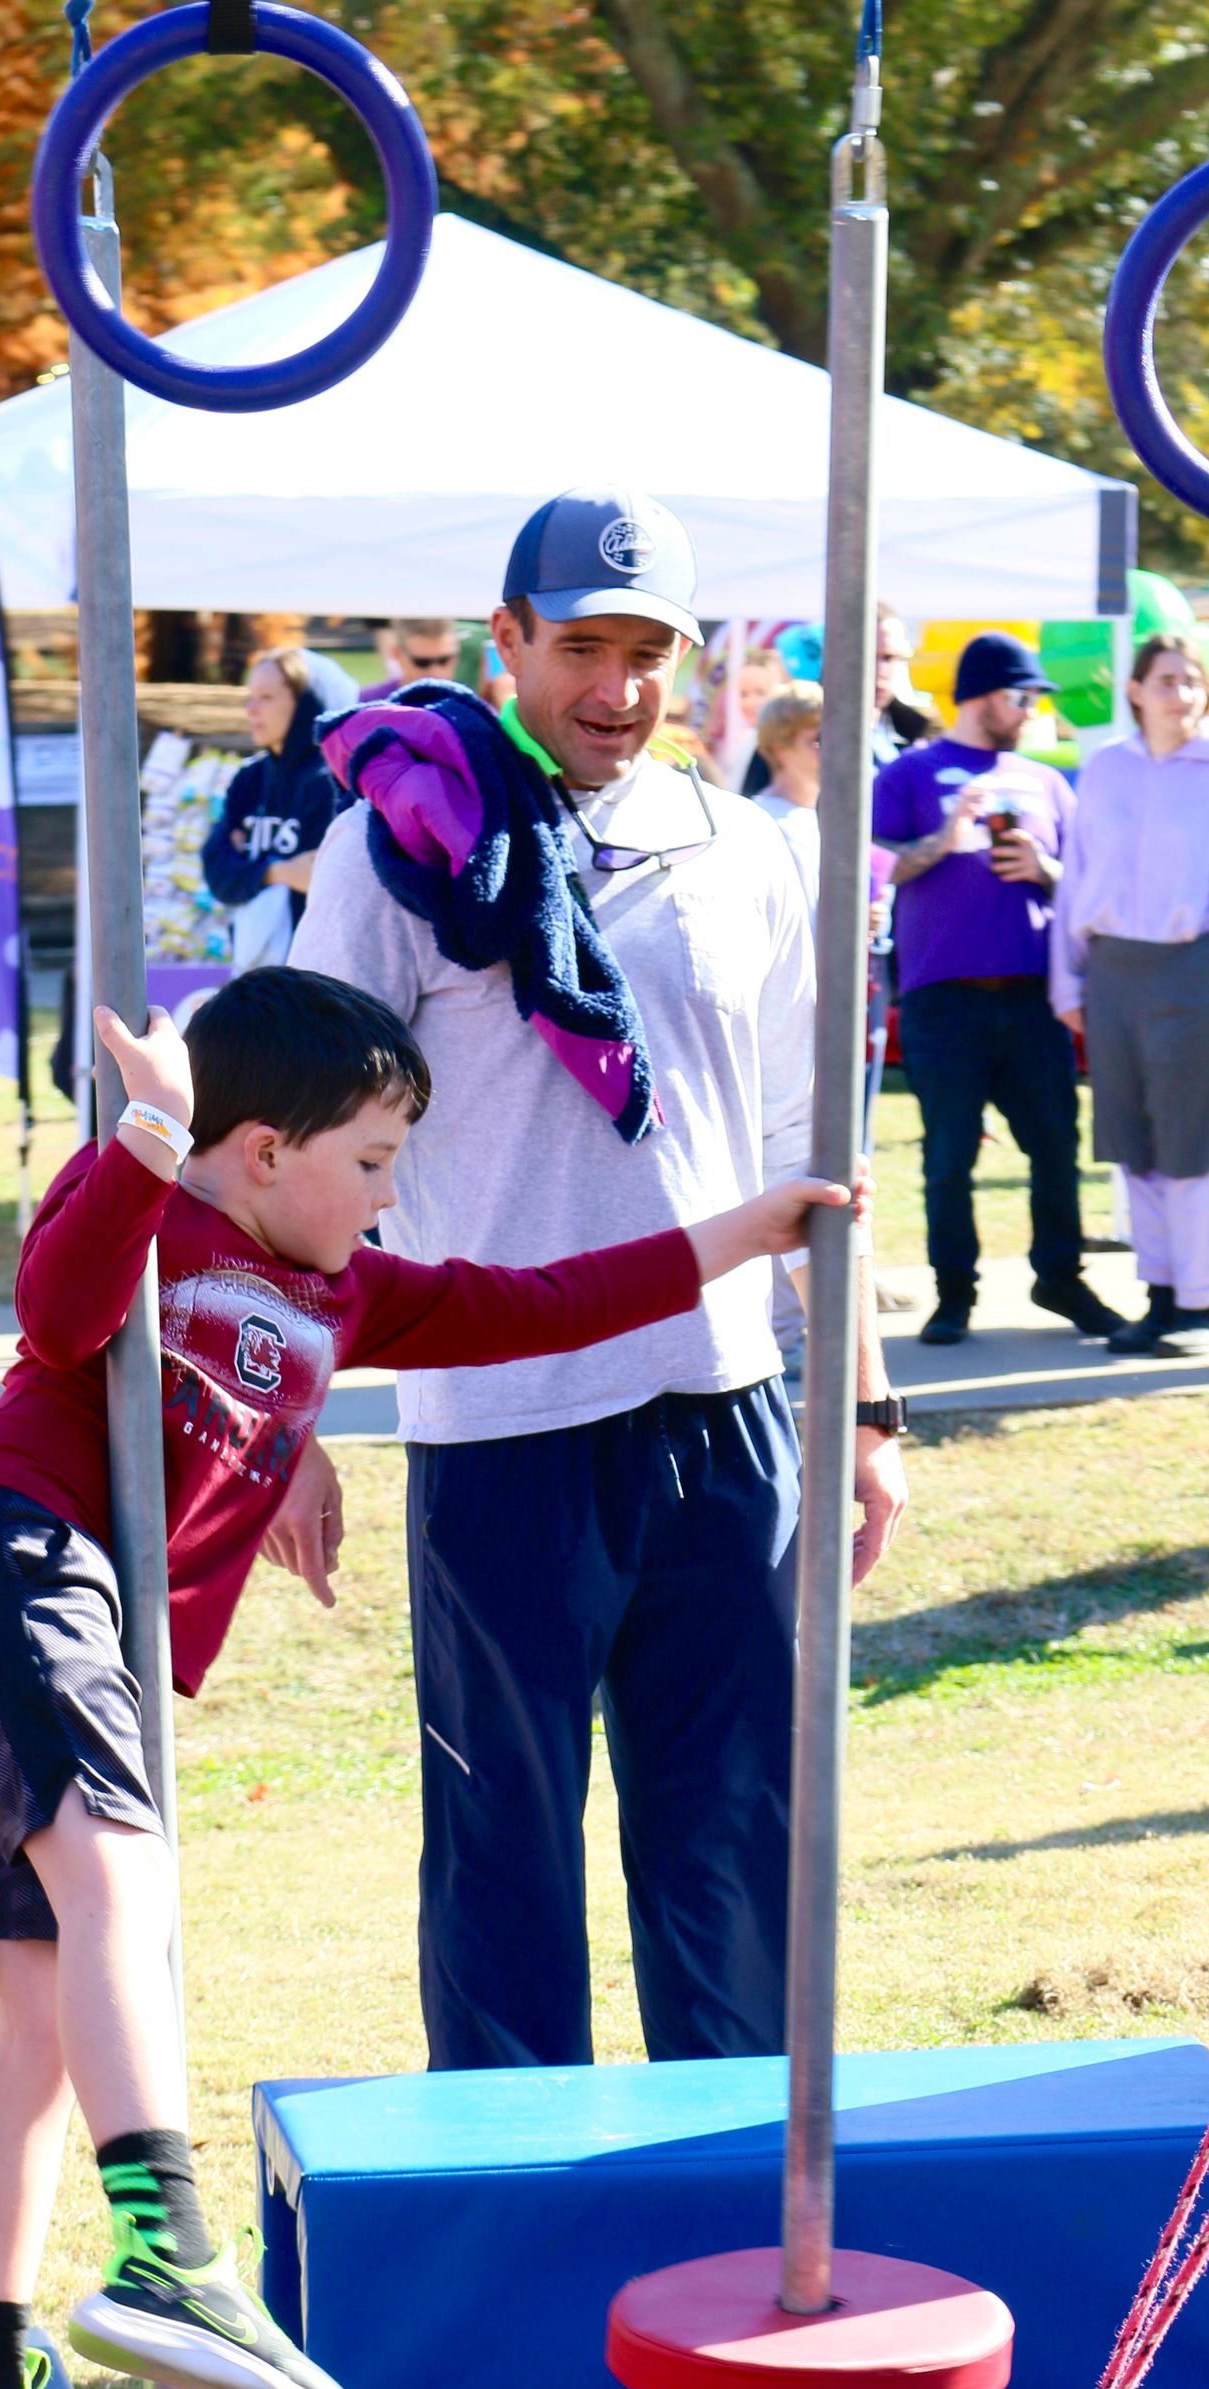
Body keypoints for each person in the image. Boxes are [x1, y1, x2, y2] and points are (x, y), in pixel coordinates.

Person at [0, 965, 845, 2389]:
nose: (388, 1205)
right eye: (373, 1165)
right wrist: (141, 1143)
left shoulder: (346, 1293)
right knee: (126, 1885)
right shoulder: (161, 1214)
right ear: (261, 1153)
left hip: (23, 1597)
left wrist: (750, 1232)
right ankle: (172, 2252)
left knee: (48, 2021)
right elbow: (57, 1315)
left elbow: (551, 1306)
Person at [290, 485, 908, 2072]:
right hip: (501, 1421)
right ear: (508, 642)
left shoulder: (750, 850)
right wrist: (281, 1418)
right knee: (503, 1851)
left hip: (727, 1411)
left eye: (649, 652)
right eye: (582, 647)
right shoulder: (399, 849)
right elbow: (287, 1148)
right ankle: (525, 2212)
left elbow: (805, 1143)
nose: (616, 689)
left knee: (736, 1840)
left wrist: (868, 1410)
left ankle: (740, 2190)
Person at [871, 632, 1120, 1349]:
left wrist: (1043, 868)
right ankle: (954, 1293)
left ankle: (1060, 1277)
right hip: (941, 996)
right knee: (949, 1153)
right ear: (983, 694)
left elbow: (1089, 886)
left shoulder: (1047, 781)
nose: (1032, 710)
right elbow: (877, 864)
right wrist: (945, 838)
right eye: (1023, 697)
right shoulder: (912, 774)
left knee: (1054, 1144)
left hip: (1034, 993)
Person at [1052, 637, 1209, 1358]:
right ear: (1134, 690)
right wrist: (1066, 978)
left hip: (1199, 967)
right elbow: (1076, 877)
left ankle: (1201, 1303)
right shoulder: (1106, 770)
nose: (1180, 694)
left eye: (1192, 681)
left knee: (1195, 1142)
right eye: (1165, 681)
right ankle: (1160, 1295)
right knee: (1134, 1143)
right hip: (1113, 971)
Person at [201, 649, 357, 970]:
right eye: (251, 697)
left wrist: (249, 865)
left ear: (306, 704)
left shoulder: (333, 782)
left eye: (267, 697)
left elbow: (328, 881)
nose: (251, 709)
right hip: (258, 966)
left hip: (321, 969)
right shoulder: (250, 778)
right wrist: (279, 872)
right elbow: (218, 874)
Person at [752, 680, 822, 904]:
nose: (833, 749)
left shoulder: (829, 819)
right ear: (779, 747)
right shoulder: (760, 822)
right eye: (818, 740)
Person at [872, 604, 939, 765]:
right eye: (868, 657)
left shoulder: (923, 728)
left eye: (889, 658)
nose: (880, 669)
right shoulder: (810, 729)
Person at [362, 618, 463, 701]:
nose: (434, 672)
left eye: (443, 660)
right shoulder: (367, 704)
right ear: (396, 654)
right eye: (422, 663)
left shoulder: (468, 704)